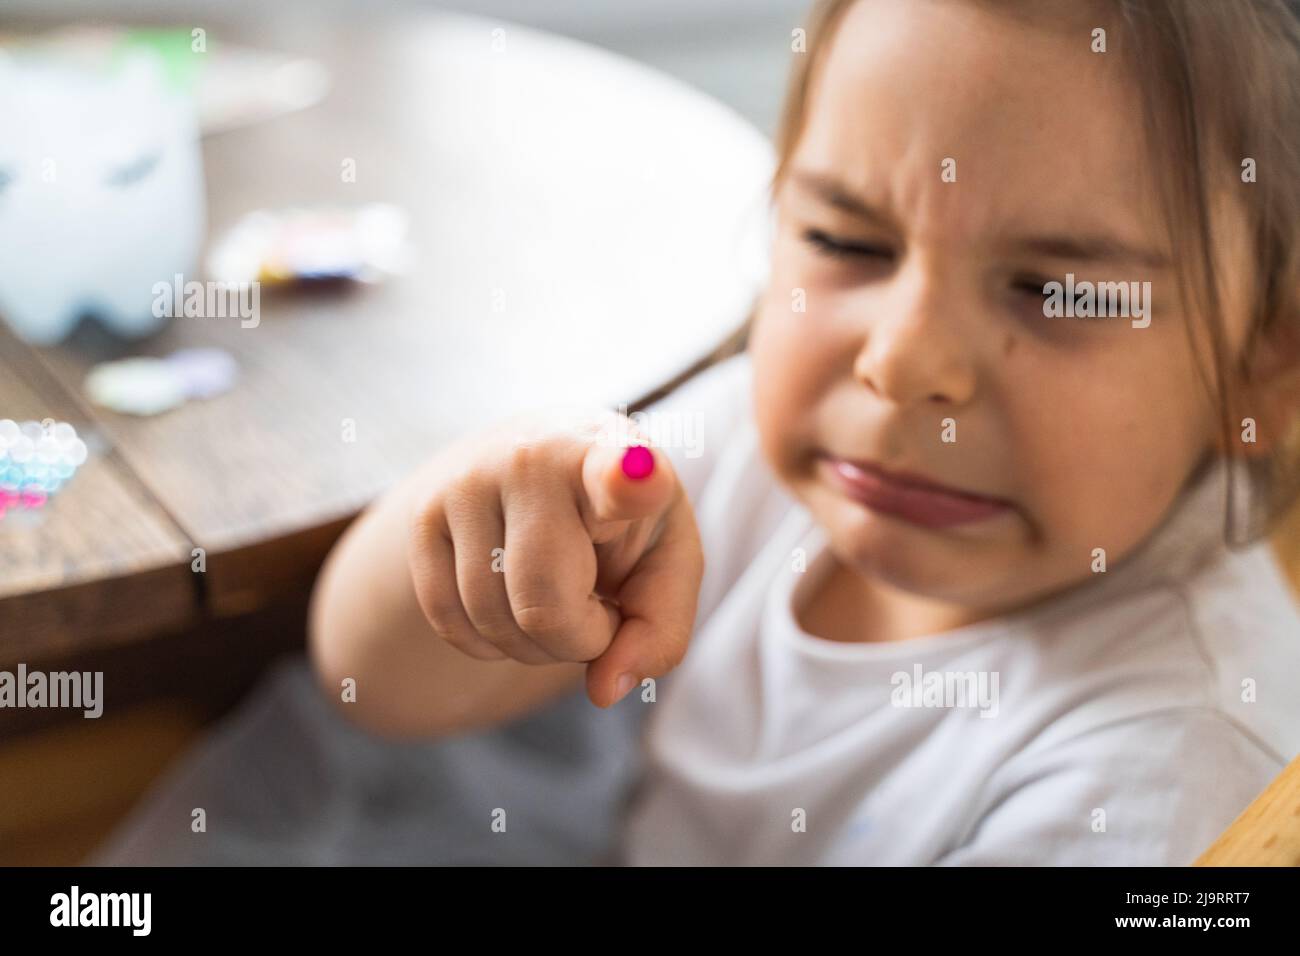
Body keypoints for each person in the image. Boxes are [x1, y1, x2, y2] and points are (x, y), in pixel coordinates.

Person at [308, 0, 1300, 865]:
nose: (903, 363)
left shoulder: (1164, 770)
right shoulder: (745, 447)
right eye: (844, 241)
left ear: (1266, 365)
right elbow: (371, 682)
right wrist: (487, 512)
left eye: (1059, 292)